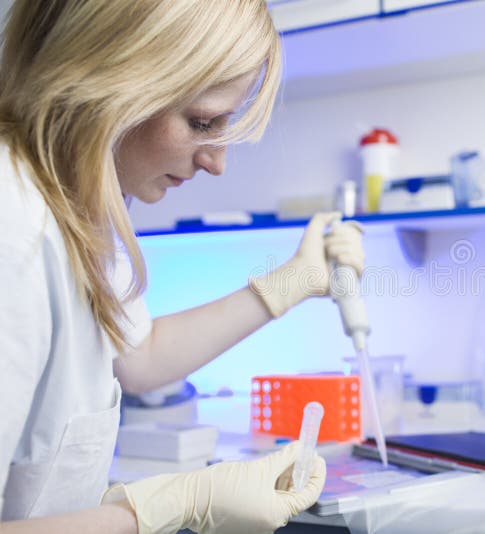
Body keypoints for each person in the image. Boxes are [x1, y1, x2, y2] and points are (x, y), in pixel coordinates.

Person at [0, 1, 365, 532]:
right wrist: (156, 508)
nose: (215, 162)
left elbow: (139, 357)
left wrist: (291, 284)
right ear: (107, 77)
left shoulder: (81, 210)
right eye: (201, 122)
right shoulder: (13, 223)